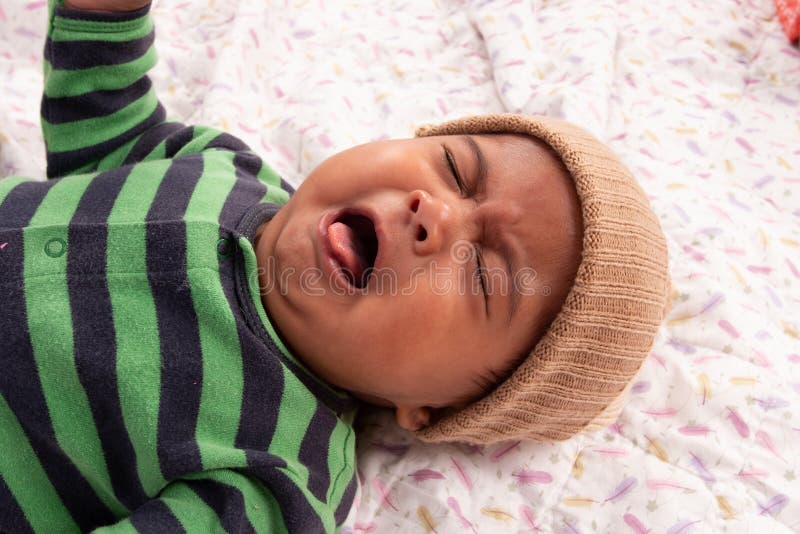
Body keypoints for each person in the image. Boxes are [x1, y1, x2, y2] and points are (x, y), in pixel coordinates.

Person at [0, 1, 671, 532]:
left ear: (436, 407)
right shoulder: (225, 169)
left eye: (482, 276)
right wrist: (107, 15)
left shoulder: (280, 476)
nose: (435, 214)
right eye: (454, 168)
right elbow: (103, 137)